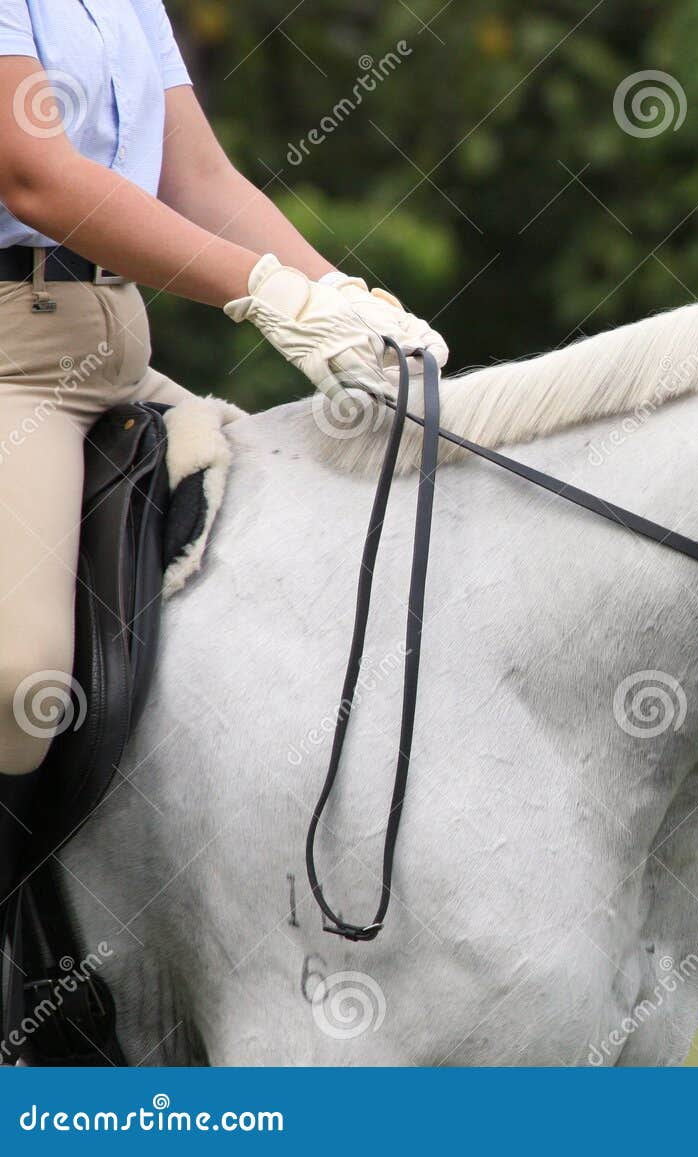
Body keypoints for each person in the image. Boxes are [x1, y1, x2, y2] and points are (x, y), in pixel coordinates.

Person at [0, 3, 446, 921]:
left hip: (118, 353)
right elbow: (34, 177)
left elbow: (196, 174)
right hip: (15, 366)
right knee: (21, 674)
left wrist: (337, 298)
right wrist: (258, 291)